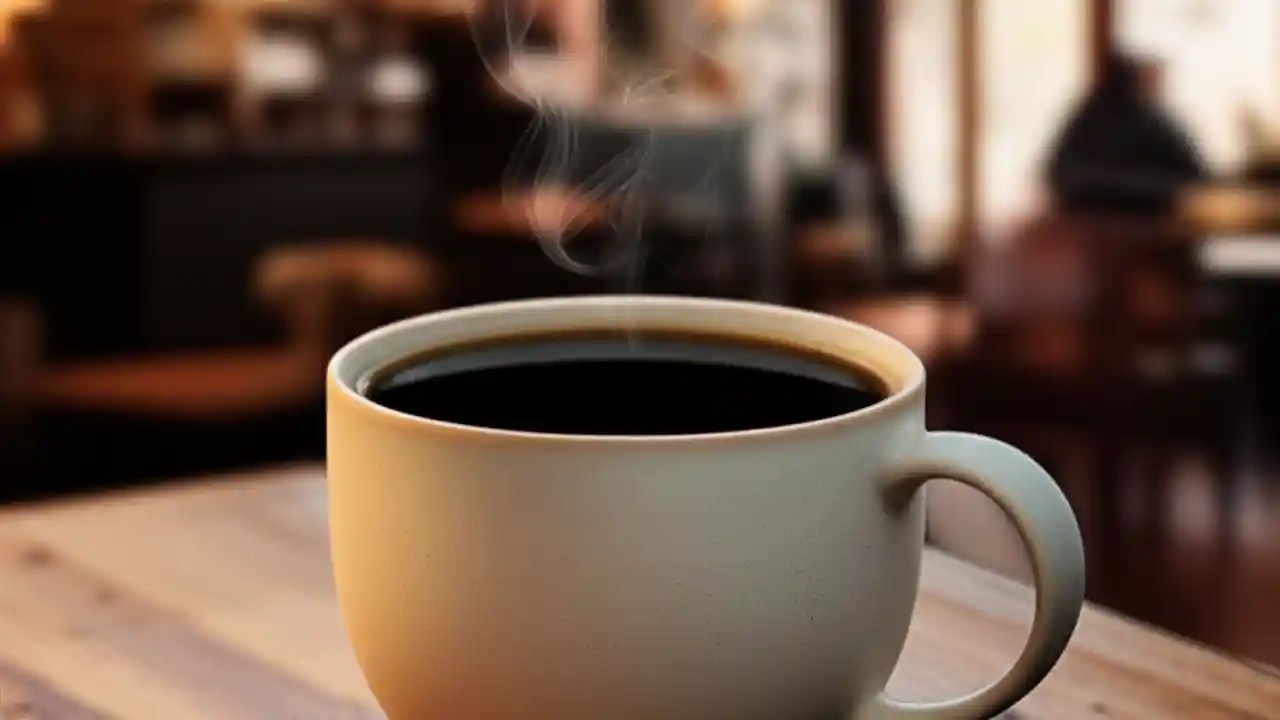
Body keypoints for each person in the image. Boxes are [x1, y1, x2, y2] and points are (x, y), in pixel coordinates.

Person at [1046, 53, 1207, 214]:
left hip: (1142, 207)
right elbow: (1062, 172)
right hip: (1100, 208)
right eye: (1149, 77)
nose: (1157, 85)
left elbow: (1192, 171)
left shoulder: (1156, 120)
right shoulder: (1096, 115)